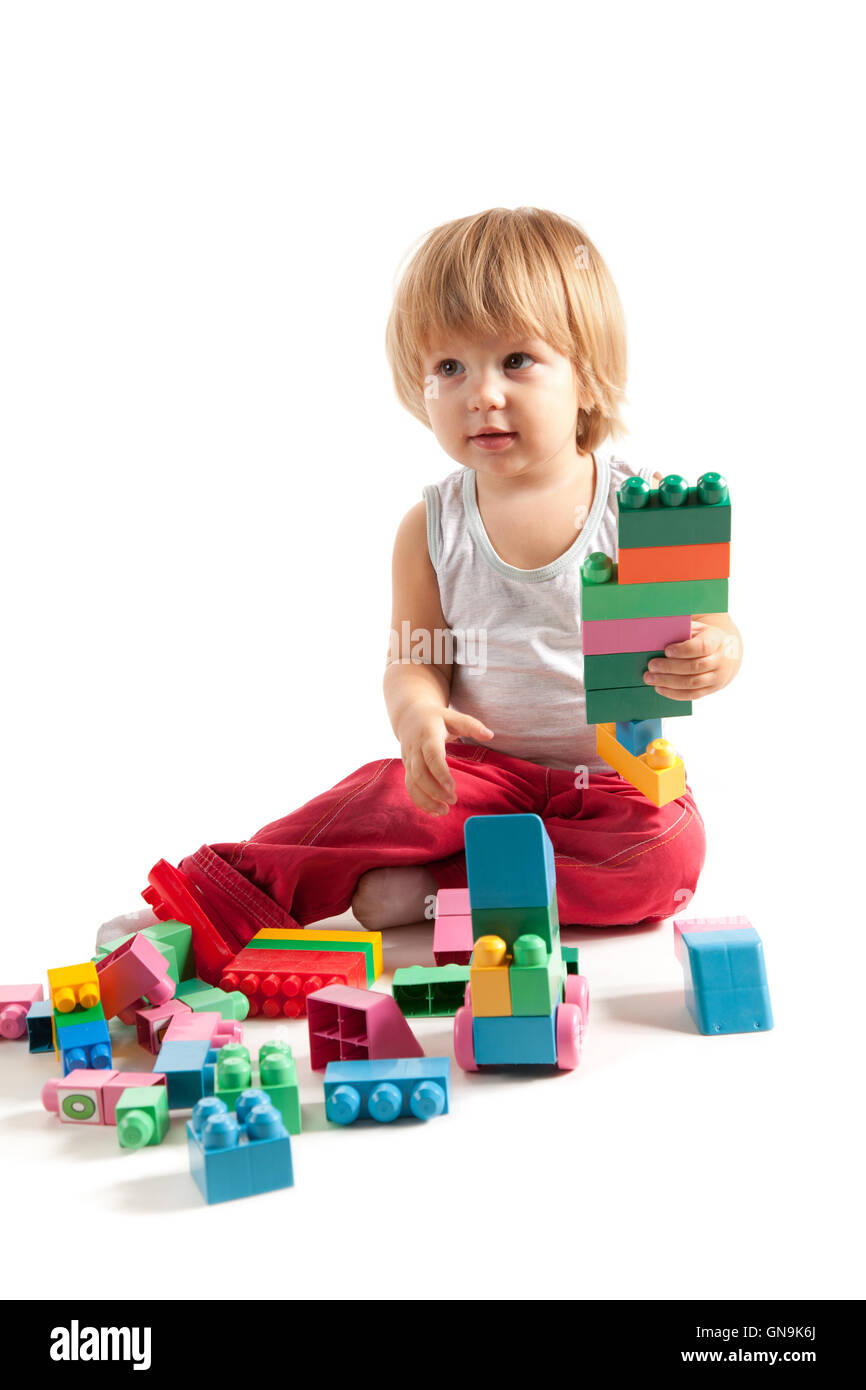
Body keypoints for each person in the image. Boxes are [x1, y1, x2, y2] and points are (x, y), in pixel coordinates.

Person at [99, 207, 742, 968]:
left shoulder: (642, 508)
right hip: (478, 774)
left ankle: (435, 892)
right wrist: (418, 717)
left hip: (611, 783)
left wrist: (716, 653)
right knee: (379, 801)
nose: (482, 394)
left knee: (667, 857)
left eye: (516, 360)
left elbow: (710, 625)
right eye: (450, 368)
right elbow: (415, 657)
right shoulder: (432, 526)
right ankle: (214, 900)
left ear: (588, 373)